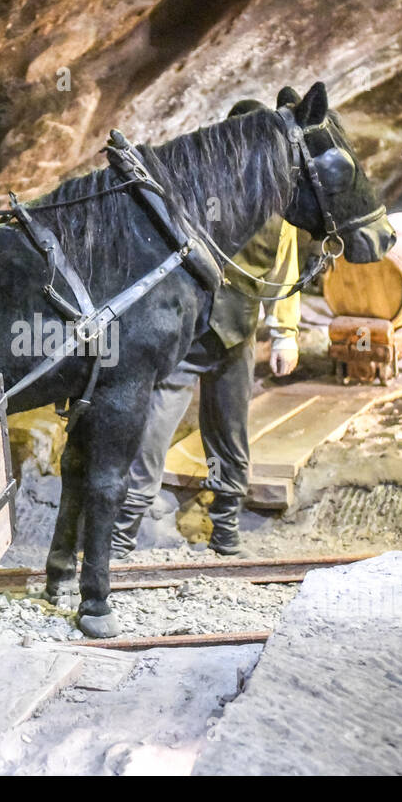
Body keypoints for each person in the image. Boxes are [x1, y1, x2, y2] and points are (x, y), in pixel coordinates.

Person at [109, 99, 300, 558]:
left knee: (229, 433)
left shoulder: (278, 210)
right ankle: (122, 532)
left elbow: (285, 274)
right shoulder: (196, 194)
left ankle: (226, 530)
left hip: (237, 334)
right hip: (188, 335)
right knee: (154, 429)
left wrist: (285, 332)